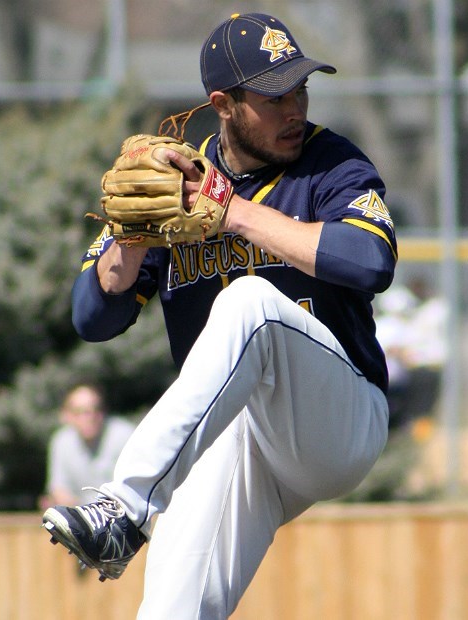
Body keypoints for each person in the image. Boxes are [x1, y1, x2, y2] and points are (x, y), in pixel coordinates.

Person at [42, 12, 397, 619]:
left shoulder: (330, 163)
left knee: (249, 303)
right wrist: (130, 240)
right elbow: (91, 318)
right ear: (223, 104)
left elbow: (371, 261)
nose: (295, 107)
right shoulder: (179, 179)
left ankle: (124, 509)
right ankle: (130, 516)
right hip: (232, 437)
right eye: (274, 95)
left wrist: (232, 212)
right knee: (172, 609)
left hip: (336, 421)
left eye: (301, 89)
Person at [39, 382, 135, 510]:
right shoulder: (61, 441)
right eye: (80, 412)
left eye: (95, 409)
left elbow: (134, 489)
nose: (89, 417)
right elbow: (59, 490)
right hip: (82, 518)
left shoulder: (124, 436)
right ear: (66, 415)